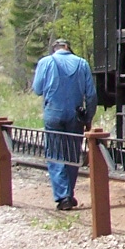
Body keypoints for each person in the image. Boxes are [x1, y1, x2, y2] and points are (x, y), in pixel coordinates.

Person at [31, 37, 97, 211]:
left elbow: (37, 89)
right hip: (75, 115)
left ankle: (63, 196)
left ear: (55, 48)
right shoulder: (82, 64)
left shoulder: (46, 62)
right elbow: (91, 95)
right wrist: (88, 117)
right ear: (68, 47)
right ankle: (69, 193)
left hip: (53, 112)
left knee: (55, 154)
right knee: (72, 154)